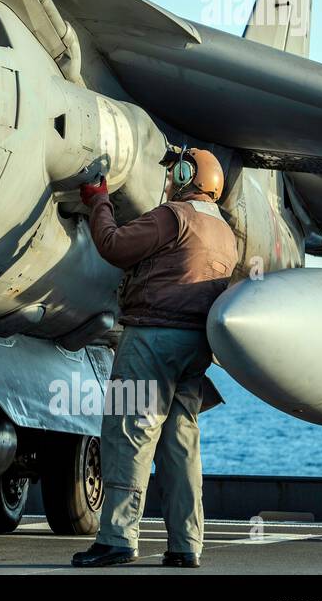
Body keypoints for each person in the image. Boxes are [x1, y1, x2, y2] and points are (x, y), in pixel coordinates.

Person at [70, 148, 238, 569]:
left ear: (189, 176)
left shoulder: (173, 216)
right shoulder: (225, 233)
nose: (169, 181)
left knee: (127, 433)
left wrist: (98, 200)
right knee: (180, 444)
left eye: (176, 173)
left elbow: (113, 245)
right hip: (194, 348)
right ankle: (186, 545)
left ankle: (117, 538)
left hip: (151, 341)